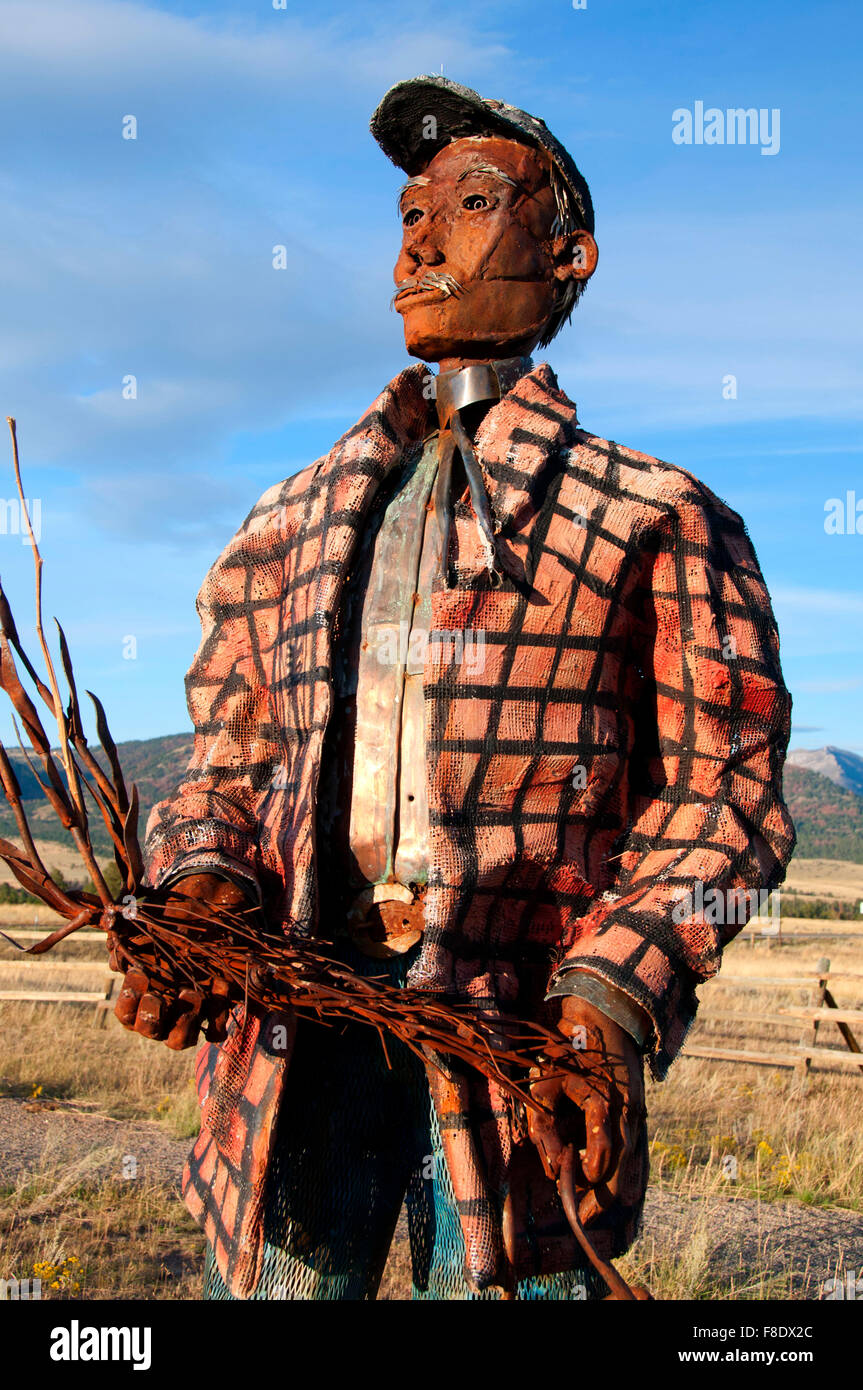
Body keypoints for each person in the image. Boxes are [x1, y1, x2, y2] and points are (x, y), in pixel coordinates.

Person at [111, 76, 795, 1300]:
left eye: (473, 202)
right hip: (297, 1029)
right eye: (408, 211)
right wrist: (203, 888)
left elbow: (723, 797)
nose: (419, 236)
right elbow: (228, 766)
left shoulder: (653, 517)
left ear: (567, 254)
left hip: (518, 1047)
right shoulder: (290, 521)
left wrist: (609, 998)